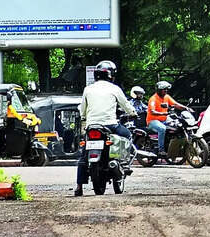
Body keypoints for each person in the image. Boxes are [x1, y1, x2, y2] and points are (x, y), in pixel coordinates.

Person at [75, 60, 135, 196]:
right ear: (111, 75)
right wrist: (133, 113)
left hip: (92, 126)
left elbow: (82, 109)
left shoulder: (88, 89)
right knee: (127, 135)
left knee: (84, 155)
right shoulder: (114, 89)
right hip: (110, 125)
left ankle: (79, 186)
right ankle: (123, 164)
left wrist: (85, 117)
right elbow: (126, 105)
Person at [147, 81, 190, 156]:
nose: (166, 91)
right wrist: (163, 113)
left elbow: (175, 104)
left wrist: (186, 108)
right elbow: (152, 111)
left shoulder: (166, 97)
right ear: (159, 90)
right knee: (162, 128)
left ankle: (172, 147)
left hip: (164, 119)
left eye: (167, 89)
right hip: (153, 121)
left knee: (177, 125)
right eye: (164, 89)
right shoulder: (153, 99)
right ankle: (161, 150)